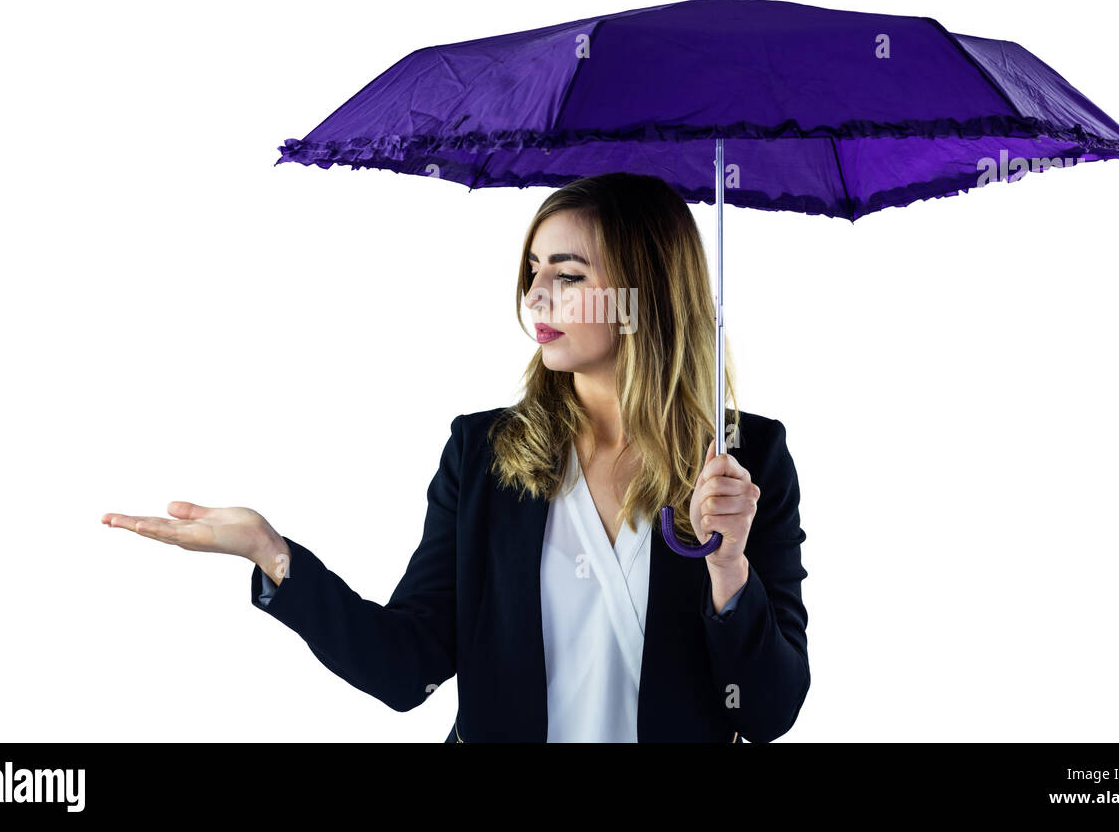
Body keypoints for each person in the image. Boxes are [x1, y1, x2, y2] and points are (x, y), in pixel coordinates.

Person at [102, 171, 810, 742]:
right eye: (533, 270)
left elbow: (767, 713)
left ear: (641, 295)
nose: (536, 294)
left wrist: (728, 568)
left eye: (568, 275)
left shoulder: (746, 463)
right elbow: (407, 667)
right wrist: (272, 555)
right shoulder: (486, 454)